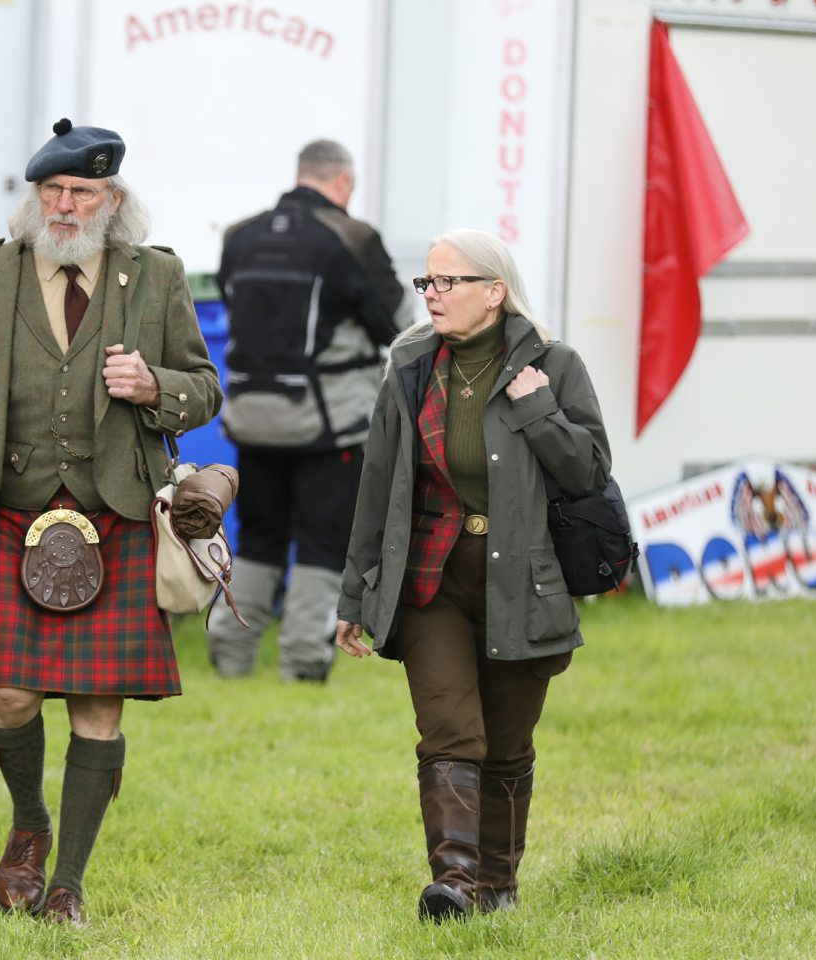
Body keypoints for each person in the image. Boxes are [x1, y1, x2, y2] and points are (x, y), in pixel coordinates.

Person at [0, 119, 222, 926]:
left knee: (98, 704)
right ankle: (29, 825)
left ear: (113, 200)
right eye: (54, 190)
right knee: (9, 694)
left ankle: (69, 883)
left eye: (84, 192)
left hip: (113, 511)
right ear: (35, 196)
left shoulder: (156, 277)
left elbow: (205, 386)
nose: (68, 205)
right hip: (12, 513)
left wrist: (156, 386)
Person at [334, 229, 611, 921]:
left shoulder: (555, 364)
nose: (431, 295)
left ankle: (498, 884)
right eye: (426, 283)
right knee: (451, 733)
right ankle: (454, 884)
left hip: (523, 581)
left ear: (494, 291)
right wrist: (355, 594)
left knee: (508, 745)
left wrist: (538, 407)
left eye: (447, 282)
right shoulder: (408, 365)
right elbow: (377, 488)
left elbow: (588, 473)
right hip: (430, 580)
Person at [208, 139, 412, 682]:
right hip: (331, 428)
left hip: (253, 419)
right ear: (343, 182)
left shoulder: (239, 236)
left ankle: (230, 656)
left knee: (257, 538)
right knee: (323, 543)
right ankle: (301, 664)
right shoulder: (353, 237)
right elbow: (398, 324)